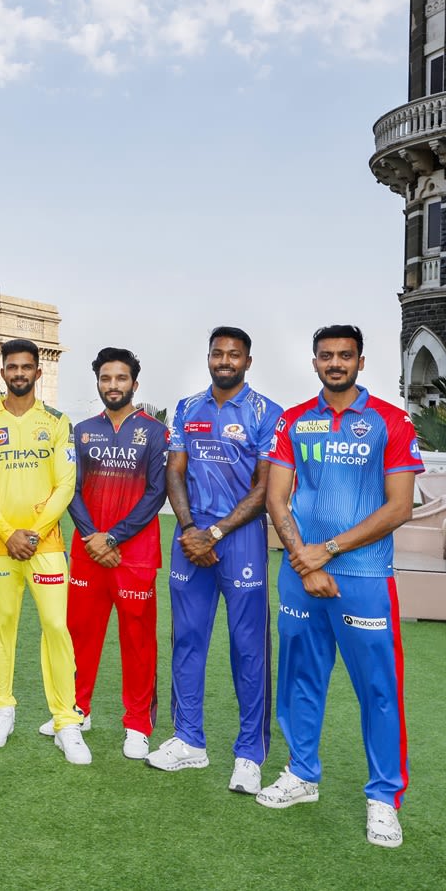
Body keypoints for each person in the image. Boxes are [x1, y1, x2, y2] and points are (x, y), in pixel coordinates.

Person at [260, 324, 421, 849]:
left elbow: (398, 507)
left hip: (365, 576)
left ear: (360, 361)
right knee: (301, 678)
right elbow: (277, 498)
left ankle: (383, 798)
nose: (335, 363)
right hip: (301, 575)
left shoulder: (390, 422)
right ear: (314, 362)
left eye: (344, 356)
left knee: (378, 689)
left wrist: (326, 553)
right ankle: (302, 775)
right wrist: (307, 566)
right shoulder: (293, 419)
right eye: (326, 356)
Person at [146, 326, 280, 793]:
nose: (225, 360)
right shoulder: (187, 408)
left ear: (247, 360)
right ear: (208, 357)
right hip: (190, 539)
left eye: (234, 354)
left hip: (239, 540)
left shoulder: (267, 412)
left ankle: (249, 754)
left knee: (248, 648)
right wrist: (188, 530)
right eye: (217, 353)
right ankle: (188, 740)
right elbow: (174, 470)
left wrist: (216, 532)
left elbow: (266, 488)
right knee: (187, 641)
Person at [0, 340, 85, 763]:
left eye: (27, 367)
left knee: (56, 625)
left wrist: (32, 533)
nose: (19, 373)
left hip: (45, 544)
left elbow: (65, 484)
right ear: (3, 373)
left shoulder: (55, 422)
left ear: (38, 373)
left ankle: (65, 721)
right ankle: (2, 708)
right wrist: (6, 532)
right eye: (12, 367)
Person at [65, 347, 167, 762]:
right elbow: (69, 489)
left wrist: (114, 538)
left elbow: (156, 492)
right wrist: (93, 536)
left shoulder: (155, 432)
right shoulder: (82, 431)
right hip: (89, 550)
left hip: (135, 554)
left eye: (120, 379)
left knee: (138, 642)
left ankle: (137, 724)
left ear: (134, 384)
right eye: (106, 379)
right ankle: (77, 710)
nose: (113, 386)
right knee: (79, 636)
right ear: (98, 383)